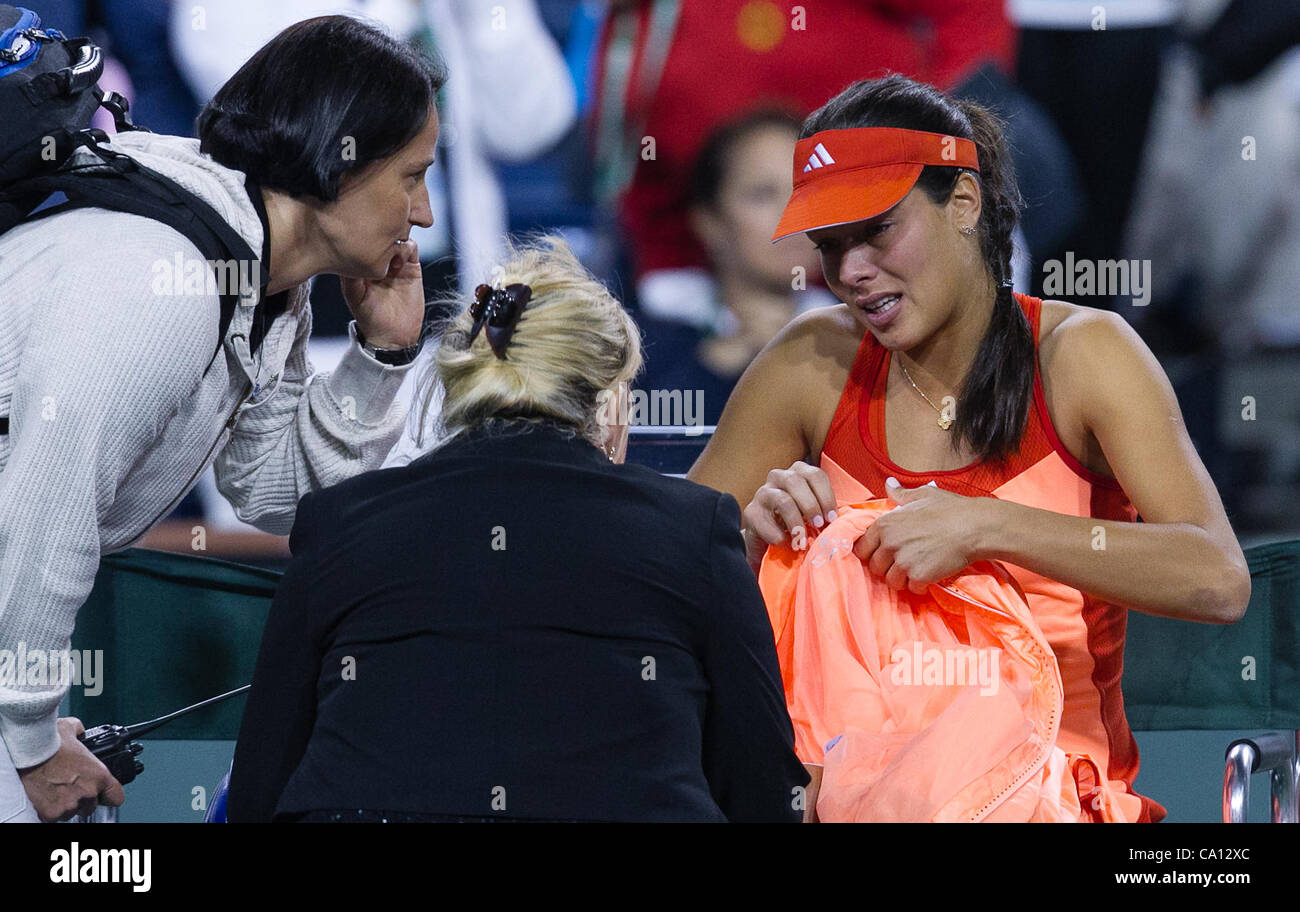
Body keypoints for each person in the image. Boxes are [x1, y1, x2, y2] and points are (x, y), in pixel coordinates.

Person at [687, 75, 1251, 823]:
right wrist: (755, 548)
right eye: (831, 246)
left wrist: (985, 526)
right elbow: (666, 584)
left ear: (963, 202)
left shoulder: (1086, 355)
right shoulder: (809, 362)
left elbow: (1217, 579)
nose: (851, 272)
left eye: (877, 230)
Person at [0, 15, 444, 822]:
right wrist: (27, 745)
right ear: (335, 161)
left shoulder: (264, 276)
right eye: (412, 176)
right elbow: (38, 523)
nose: (425, 214)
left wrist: (381, 360)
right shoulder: (159, 282)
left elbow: (274, 495)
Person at [226, 236, 808, 823]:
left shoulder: (339, 523)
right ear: (609, 404)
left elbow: (257, 786)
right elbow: (764, 788)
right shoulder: (693, 527)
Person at [636, 109, 832, 425]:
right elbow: (640, 447)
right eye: (763, 194)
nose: (793, 212)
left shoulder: (861, 329)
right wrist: (722, 360)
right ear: (709, 222)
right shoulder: (646, 337)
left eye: (805, 189)